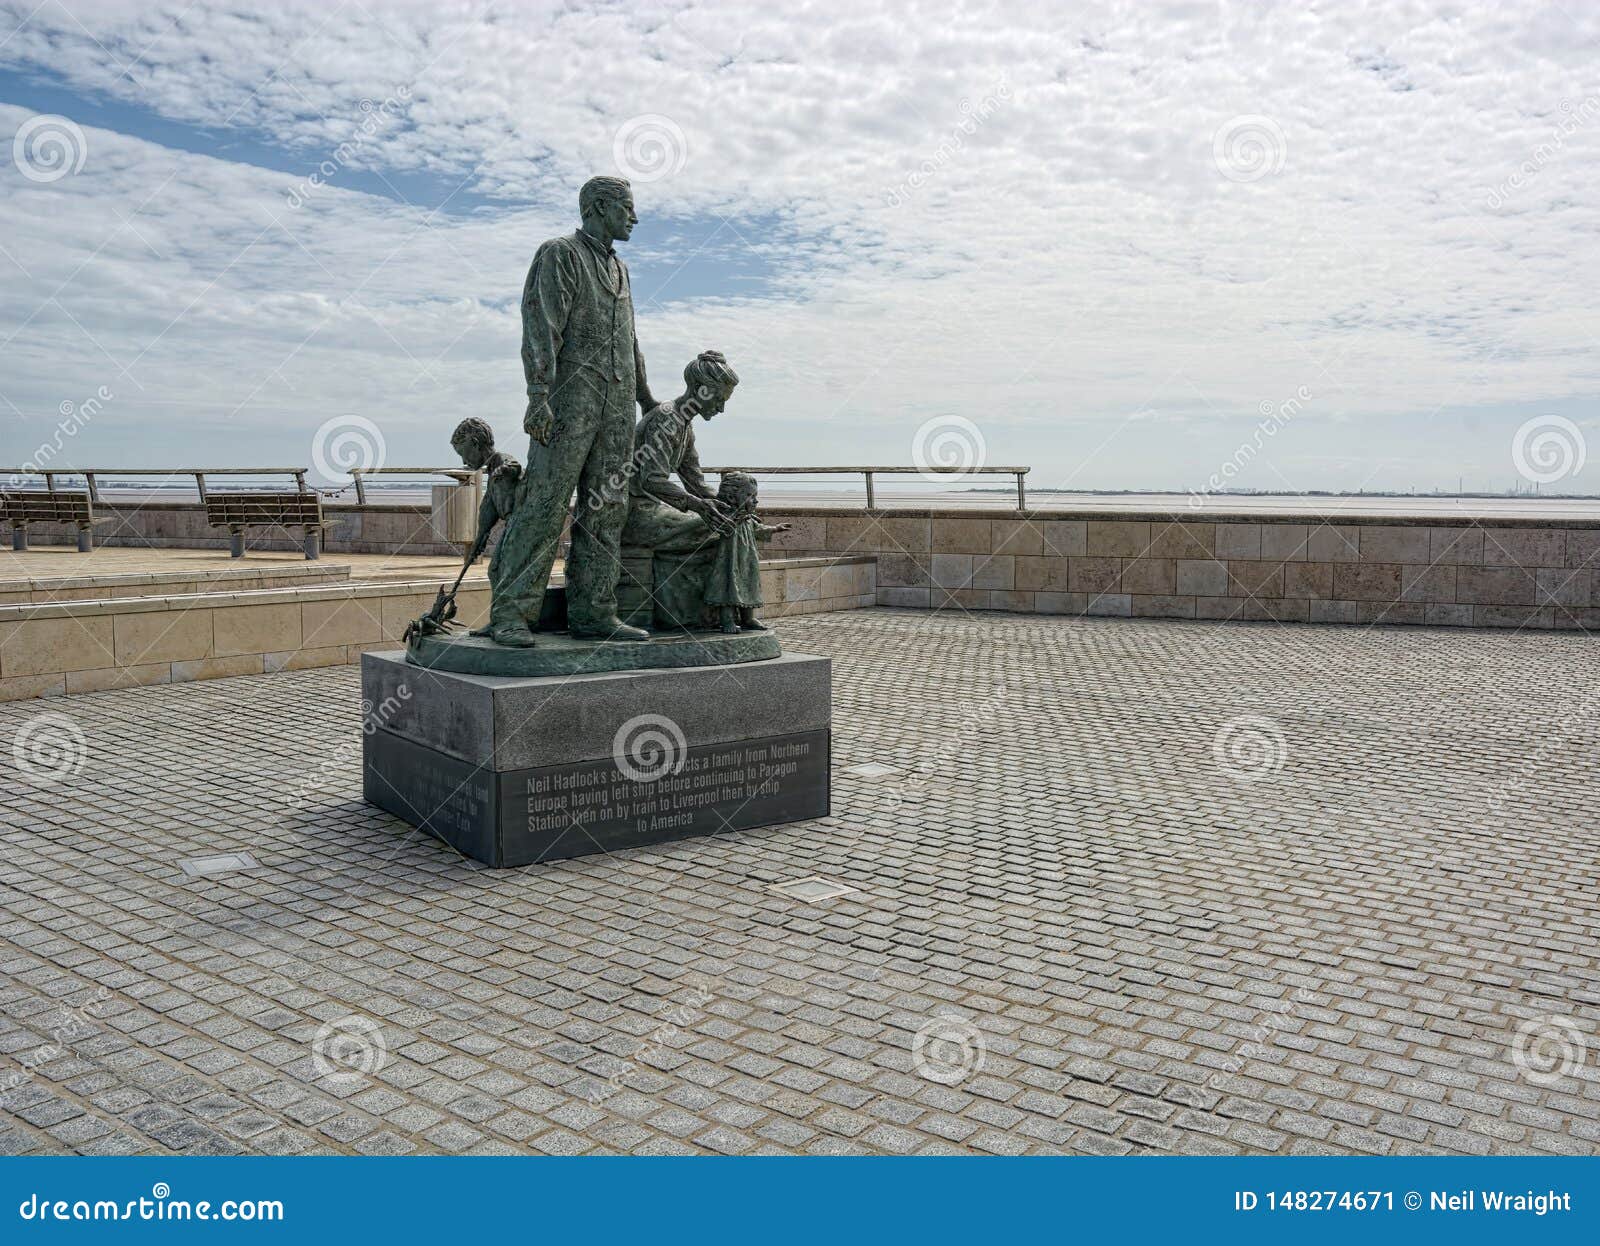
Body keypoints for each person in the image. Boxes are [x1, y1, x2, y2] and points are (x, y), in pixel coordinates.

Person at [486, 175, 659, 647]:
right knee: (544, 504)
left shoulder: (621, 268)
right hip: (569, 401)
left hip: (617, 407)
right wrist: (538, 394)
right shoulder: (559, 254)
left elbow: (630, 339)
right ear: (600, 206)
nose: (634, 217)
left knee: (608, 509)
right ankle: (511, 613)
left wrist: (645, 397)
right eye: (626, 207)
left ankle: (594, 612)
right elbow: (541, 325)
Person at [702, 471, 789, 632]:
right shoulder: (724, 516)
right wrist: (737, 517)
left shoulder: (749, 518)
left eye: (755, 496)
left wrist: (775, 529)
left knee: (749, 584)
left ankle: (748, 618)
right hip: (729, 560)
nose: (755, 500)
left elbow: (758, 529)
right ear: (731, 497)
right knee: (728, 586)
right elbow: (719, 530)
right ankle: (727, 620)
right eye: (750, 496)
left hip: (747, 559)